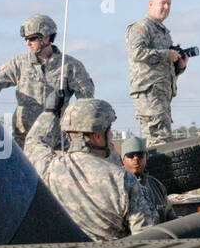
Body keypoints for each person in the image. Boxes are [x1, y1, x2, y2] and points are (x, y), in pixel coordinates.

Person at [25, 96, 158, 240]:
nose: (112, 135)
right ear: (97, 137)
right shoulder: (123, 180)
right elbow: (147, 238)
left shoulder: (49, 169)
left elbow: (33, 143)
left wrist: (50, 112)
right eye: (109, 130)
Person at [0, 13, 94, 149]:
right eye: (26, 39)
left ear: (46, 37)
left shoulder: (70, 66)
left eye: (32, 38)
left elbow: (86, 101)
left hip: (56, 142)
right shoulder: (20, 63)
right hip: (25, 140)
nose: (28, 43)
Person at [126, 0, 187, 145]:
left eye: (169, 4)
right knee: (158, 140)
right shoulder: (141, 28)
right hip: (149, 92)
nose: (166, 8)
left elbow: (164, 66)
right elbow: (137, 53)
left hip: (162, 94)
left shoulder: (164, 33)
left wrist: (180, 66)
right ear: (151, 4)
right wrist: (167, 54)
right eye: (163, 3)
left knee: (164, 138)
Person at [120, 135, 176, 222]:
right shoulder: (117, 186)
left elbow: (170, 217)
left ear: (146, 157)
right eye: (131, 155)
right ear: (123, 160)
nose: (136, 158)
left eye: (140, 155)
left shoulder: (156, 186)